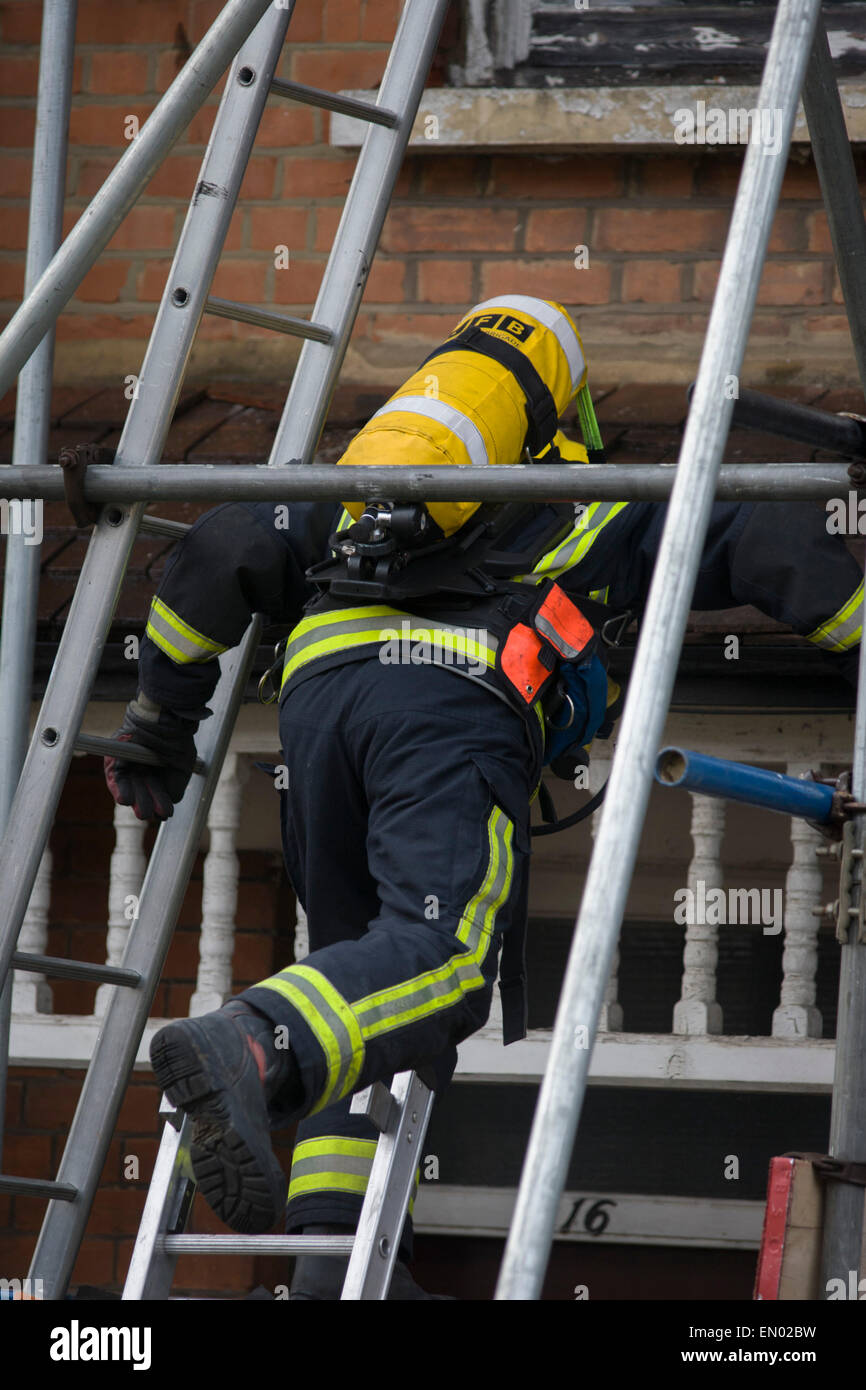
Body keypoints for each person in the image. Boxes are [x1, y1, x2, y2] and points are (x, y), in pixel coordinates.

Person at [105, 294, 862, 1298]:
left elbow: (215, 556)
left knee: (363, 983)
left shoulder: (362, 490)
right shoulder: (604, 495)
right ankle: (253, 1040)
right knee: (442, 958)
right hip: (453, 709)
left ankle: (332, 1256)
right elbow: (772, 541)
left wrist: (160, 720)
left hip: (319, 711)